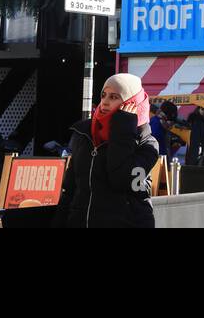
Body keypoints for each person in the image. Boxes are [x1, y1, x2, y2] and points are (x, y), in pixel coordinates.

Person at [54, 73, 159, 228]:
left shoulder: (146, 144)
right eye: (104, 95)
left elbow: (122, 179)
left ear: (132, 103)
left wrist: (123, 129)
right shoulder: (84, 133)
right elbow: (70, 189)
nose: (105, 102)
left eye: (114, 97)